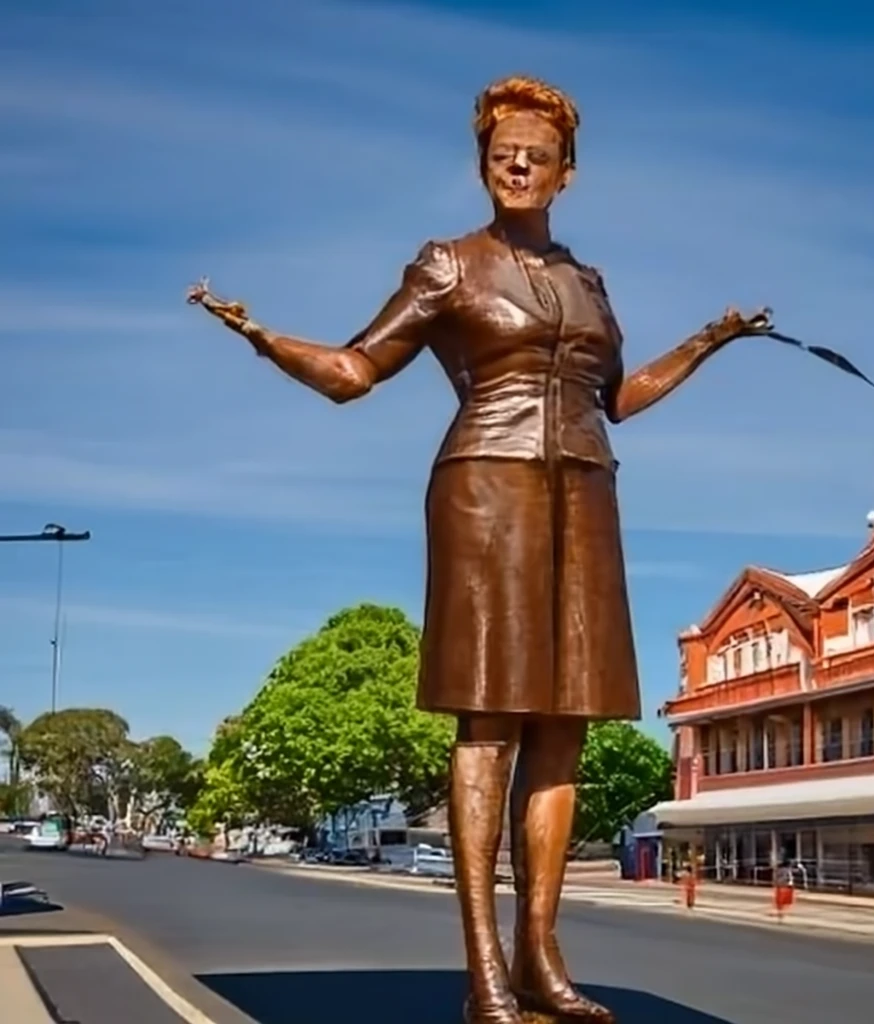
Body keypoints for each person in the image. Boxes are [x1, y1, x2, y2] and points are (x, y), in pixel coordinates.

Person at [188, 75, 770, 1024]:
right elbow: (355, 371)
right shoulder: (448, 264)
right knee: (492, 719)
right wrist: (261, 336)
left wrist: (712, 340)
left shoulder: (589, 283)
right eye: (503, 152)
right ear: (483, 164)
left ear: (566, 173)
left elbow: (617, 398)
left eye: (537, 153)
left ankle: (542, 959)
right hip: (486, 486)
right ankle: (485, 974)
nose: (519, 163)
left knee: (566, 724)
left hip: (586, 487)